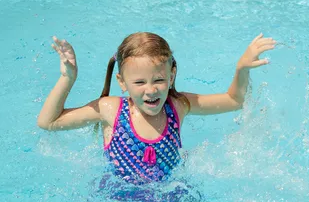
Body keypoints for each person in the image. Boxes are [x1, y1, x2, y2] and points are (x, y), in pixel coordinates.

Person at [38, 32, 275, 187]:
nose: (151, 90)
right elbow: (48, 122)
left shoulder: (178, 105)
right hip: (120, 201)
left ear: (171, 76)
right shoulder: (110, 110)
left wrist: (241, 68)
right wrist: (67, 78)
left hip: (171, 198)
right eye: (139, 83)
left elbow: (234, 101)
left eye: (159, 80)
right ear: (122, 82)